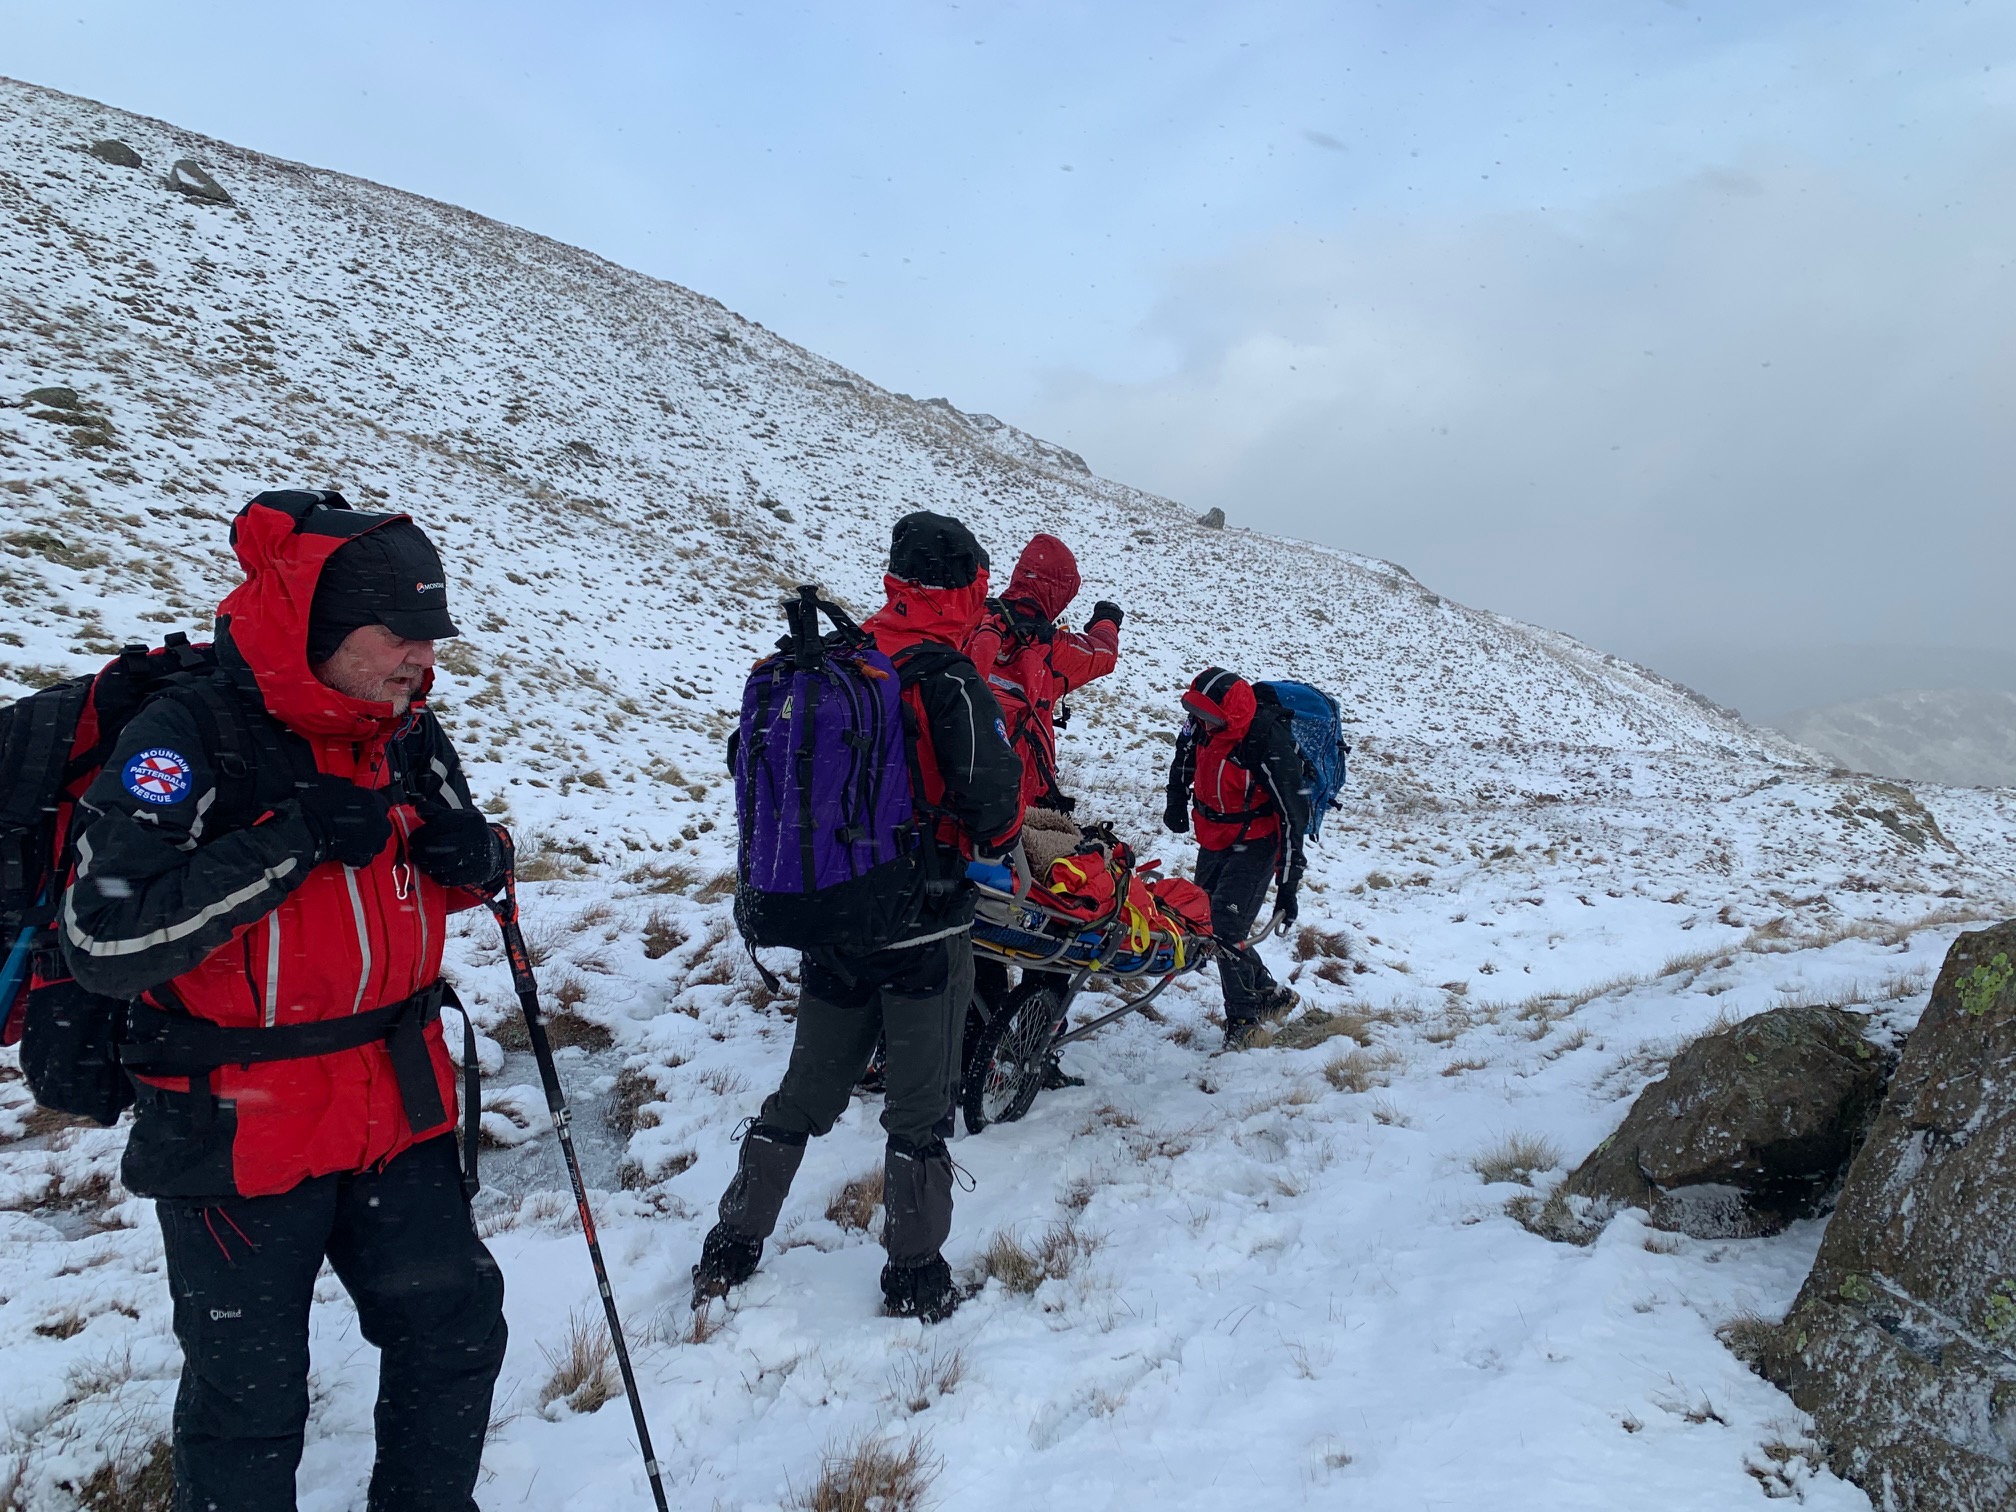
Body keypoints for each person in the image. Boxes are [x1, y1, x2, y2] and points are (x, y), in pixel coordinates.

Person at [61, 489, 508, 1512]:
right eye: (397, 633)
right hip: (237, 1124)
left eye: (431, 634)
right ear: (315, 624)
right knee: (250, 1403)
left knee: (454, 1333)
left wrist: (479, 858)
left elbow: (450, 863)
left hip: (397, 1099)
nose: (421, 657)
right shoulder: (188, 735)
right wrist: (291, 843)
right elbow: (104, 939)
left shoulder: (405, 730)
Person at [692, 510, 1025, 1323]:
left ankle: (732, 1242)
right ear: (969, 589)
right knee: (918, 1110)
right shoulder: (947, 677)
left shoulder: (841, 658)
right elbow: (994, 806)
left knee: (806, 1091)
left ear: (895, 579)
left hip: (832, 913)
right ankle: (915, 1273)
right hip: (922, 926)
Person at [1163, 667, 1309, 1050]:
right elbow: (1184, 755)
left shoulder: (1264, 740)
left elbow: (1293, 816)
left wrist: (1288, 886)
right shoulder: (1201, 725)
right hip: (1214, 836)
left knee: (1226, 929)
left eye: (1209, 716)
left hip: (1257, 843)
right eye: (1196, 713)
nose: (1201, 723)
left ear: (1230, 715)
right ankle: (1269, 994)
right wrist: (1176, 798)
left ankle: (1244, 1024)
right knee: (1204, 921)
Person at [963, 532, 1122, 821]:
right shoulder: (1053, 648)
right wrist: (1106, 621)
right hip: (1018, 802)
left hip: (948, 778)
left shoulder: (971, 619)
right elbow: (1104, 654)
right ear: (1061, 592)